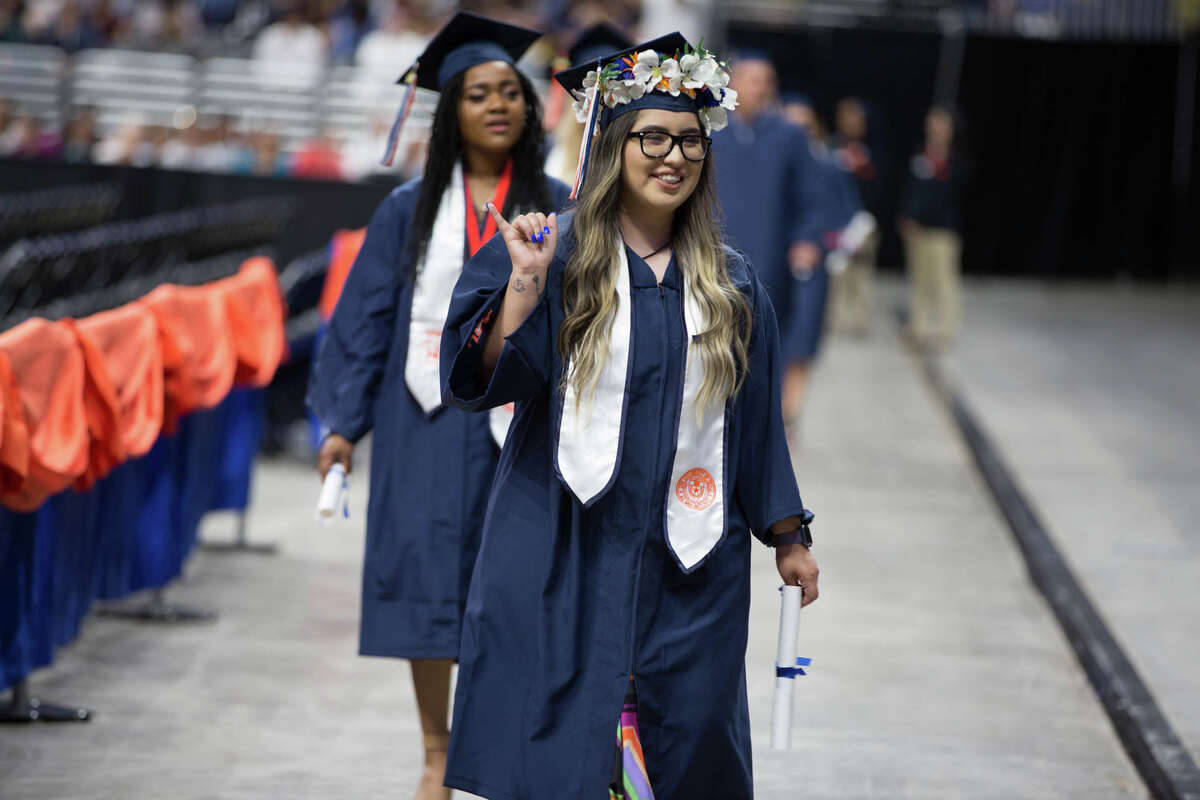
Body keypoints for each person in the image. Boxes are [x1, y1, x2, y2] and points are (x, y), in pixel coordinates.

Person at [439, 33, 820, 798]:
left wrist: (787, 533)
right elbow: (477, 382)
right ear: (614, 144)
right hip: (561, 539)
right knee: (557, 736)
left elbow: (753, 428)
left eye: (689, 141)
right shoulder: (554, 251)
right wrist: (523, 288)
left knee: (680, 733)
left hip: (686, 558)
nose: (672, 156)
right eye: (652, 136)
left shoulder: (731, 285)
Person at [306, 13, 571, 799]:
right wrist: (342, 428)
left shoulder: (559, 203)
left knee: (518, 590)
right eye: (478, 94)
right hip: (422, 422)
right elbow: (364, 322)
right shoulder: (408, 209)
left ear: (528, 108)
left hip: (522, 428)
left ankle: (509, 750)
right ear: (451, 111)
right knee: (427, 587)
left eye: (510, 93)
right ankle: (435, 752)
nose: (497, 105)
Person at [711, 52, 827, 426]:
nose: (759, 88)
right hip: (714, 253)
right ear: (732, 82)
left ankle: (764, 422)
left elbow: (811, 196)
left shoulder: (789, 136)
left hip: (769, 254)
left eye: (766, 81)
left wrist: (807, 239)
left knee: (762, 342)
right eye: (751, 79)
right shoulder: (710, 129)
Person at [899, 105, 966, 349]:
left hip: (942, 229)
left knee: (943, 280)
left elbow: (952, 192)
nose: (934, 126)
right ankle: (919, 326)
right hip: (918, 229)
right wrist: (907, 215)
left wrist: (940, 161)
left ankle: (944, 330)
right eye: (932, 121)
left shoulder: (955, 158)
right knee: (919, 278)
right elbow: (913, 190)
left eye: (940, 122)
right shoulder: (920, 154)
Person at [829, 96, 886, 335]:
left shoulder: (874, 149)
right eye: (845, 115)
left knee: (861, 271)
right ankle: (835, 320)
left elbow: (881, 186)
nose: (850, 121)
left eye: (855, 116)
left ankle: (859, 320)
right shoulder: (830, 146)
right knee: (836, 273)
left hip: (864, 222)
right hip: (835, 221)